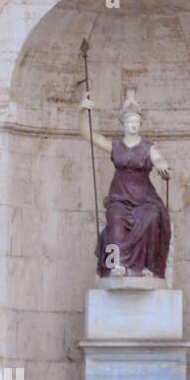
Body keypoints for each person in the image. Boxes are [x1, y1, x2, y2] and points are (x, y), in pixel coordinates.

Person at [78, 88, 171, 279]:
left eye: (136, 122)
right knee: (115, 219)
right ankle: (115, 264)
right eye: (130, 121)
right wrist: (81, 111)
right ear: (123, 124)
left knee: (152, 217)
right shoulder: (115, 146)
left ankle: (148, 266)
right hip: (120, 197)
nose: (133, 125)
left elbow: (159, 158)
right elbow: (88, 134)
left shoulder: (147, 146)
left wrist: (163, 166)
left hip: (144, 198)